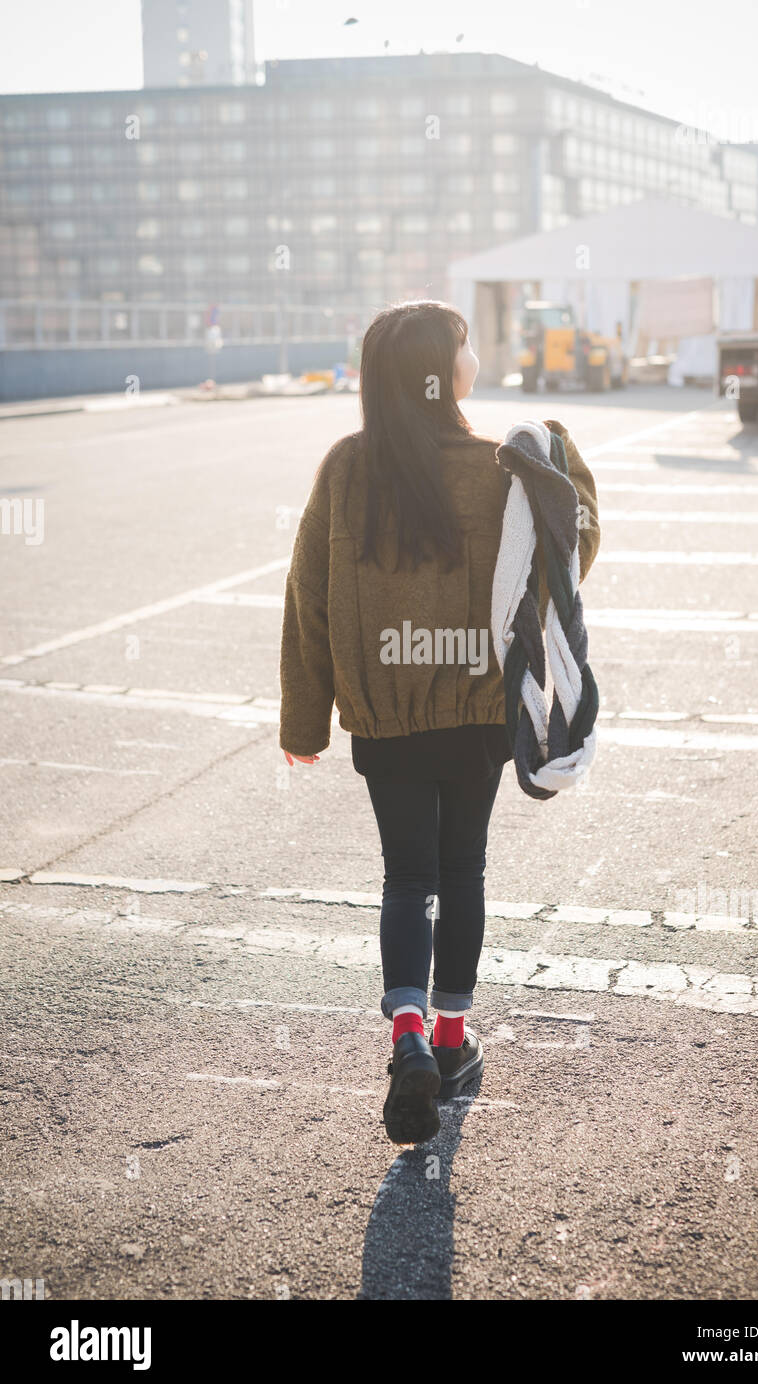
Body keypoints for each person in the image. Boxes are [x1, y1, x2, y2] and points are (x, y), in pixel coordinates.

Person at [279, 299, 600, 1144]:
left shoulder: (347, 467)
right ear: (440, 370)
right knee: (463, 869)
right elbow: (572, 554)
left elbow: (308, 597)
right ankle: (453, 1042)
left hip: (385, 724)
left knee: (405, 878)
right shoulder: (503, 466)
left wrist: (304, 721)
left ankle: (409, 1037)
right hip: (473, 715)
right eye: (464, 346)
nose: (472, 357)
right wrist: (557, 453)